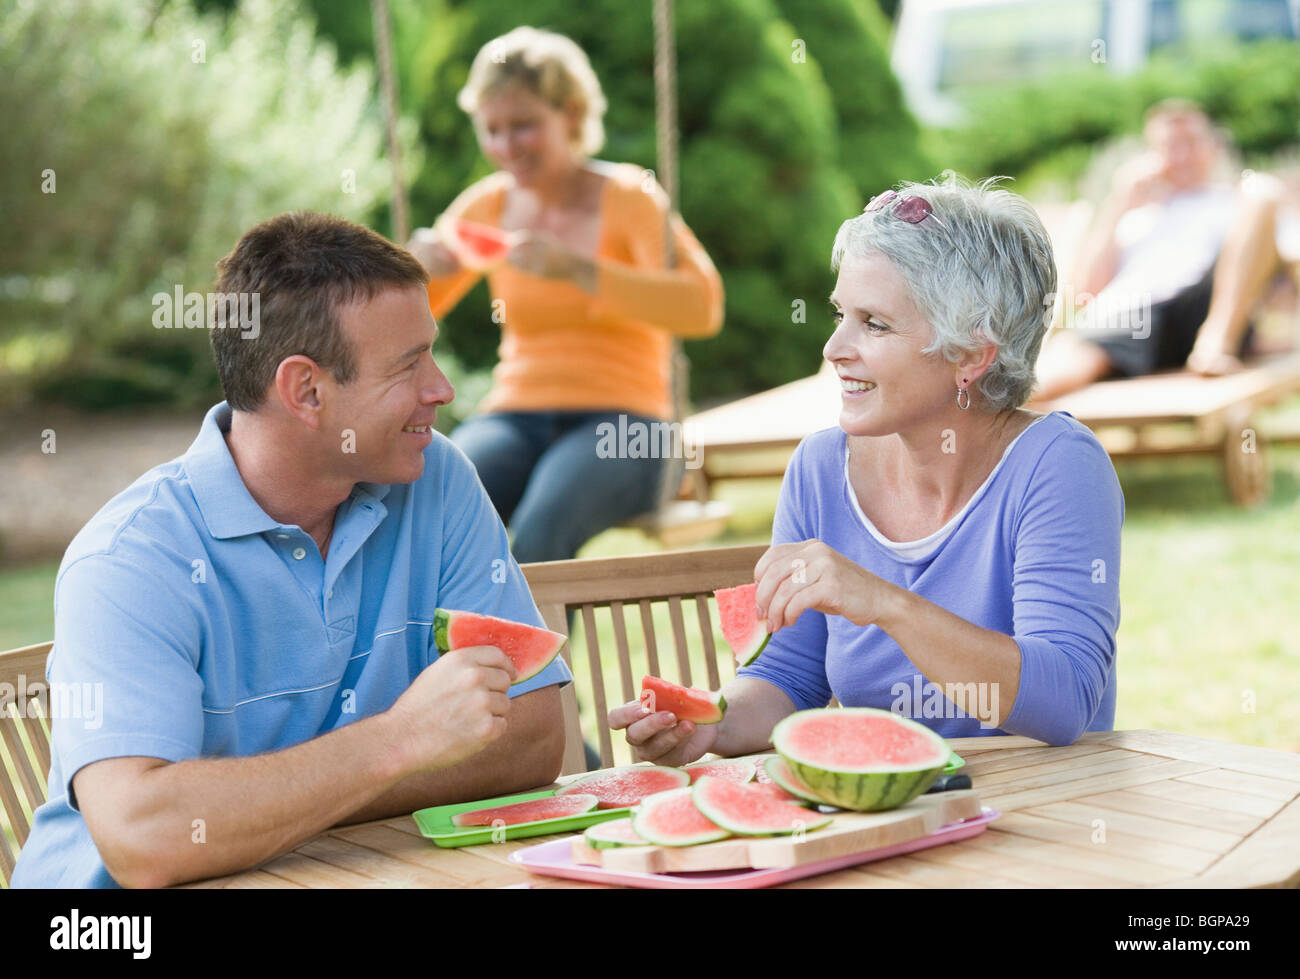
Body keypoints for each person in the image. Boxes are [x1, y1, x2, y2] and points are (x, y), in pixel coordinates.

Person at [12, 212, 572, 888]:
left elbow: (534, 733)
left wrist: (278, 801)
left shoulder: (436, 481)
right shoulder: (128, 561)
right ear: (306, 390)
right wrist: (399, 742)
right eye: (407, 365)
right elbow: (145, 834)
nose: (442, 389)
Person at [610, 174, 1124, 765]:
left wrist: (883, 602)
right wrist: (710, 724)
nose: (833, 348)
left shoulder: (1057, 465)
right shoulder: (819, 468)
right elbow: (789, 678)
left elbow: (1064, 700)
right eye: (839, 314)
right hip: (891, 815)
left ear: (971, 355)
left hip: (1041, 817)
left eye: (874, 324)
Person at [406, 26, 724, 564]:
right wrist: (413, 269)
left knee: (541, 530)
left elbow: (702, 306)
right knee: (430, 504)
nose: (507, 147)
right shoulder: (485, 207)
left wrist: (577, 270)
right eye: (493, 129)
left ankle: (532, 652)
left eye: (525, 125)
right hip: (514, 415)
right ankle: (438, 648)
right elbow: (405, 318)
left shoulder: (629, 198)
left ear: (572, 115)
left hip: (627, 424)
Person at [1033, 99, 1291, 401]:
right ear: (1151, 156)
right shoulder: (1135, 216)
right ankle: (1004, 401)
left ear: (1215, 146)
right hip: (1137, 312)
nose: (1182, 156)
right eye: (1170, 147)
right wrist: (1119, 202)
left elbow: (1281, 264)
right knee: (1069, 361)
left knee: (1264, 191)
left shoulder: (1240, 203)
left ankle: (1216, 345)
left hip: (1204, 308)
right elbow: (1083, 292)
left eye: (1192, 143)